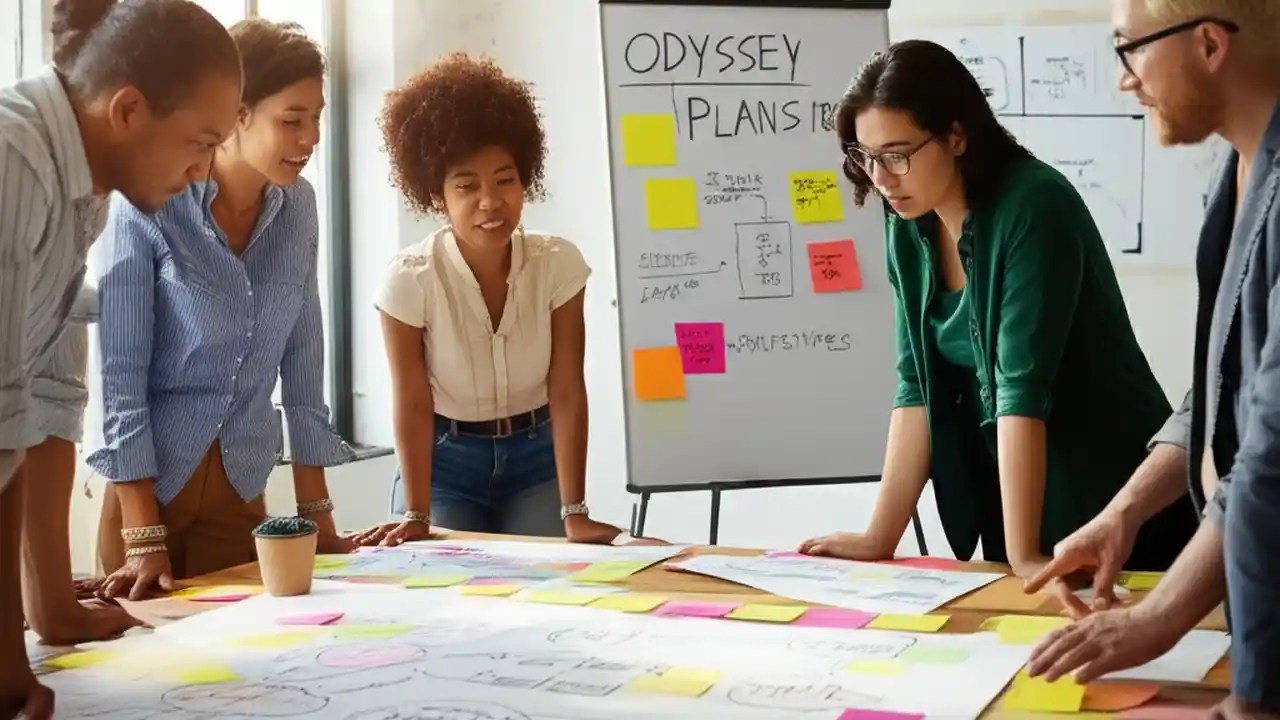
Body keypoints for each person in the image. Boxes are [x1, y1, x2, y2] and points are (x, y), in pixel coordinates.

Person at [796, 40, 1198, 582]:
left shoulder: (1034, 206)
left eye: (897, 154)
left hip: (1115, 508)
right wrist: (879, 537)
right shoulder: (908, 222)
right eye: (865, 157)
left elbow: (1020, 388)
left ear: (956, 136)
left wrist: (1025, 554)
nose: (881, 178)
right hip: (1016, 506)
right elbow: (916, 382)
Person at [1024, 1, 1280, 712]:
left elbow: (1273, 452)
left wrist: (1161, 614)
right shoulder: (1233, 169)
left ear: (1207, 44)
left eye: (1128, 49)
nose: (1123, 81)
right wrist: (1127, 511)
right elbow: (1225, 385)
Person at [0, 0, 241, 714]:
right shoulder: (15, 164)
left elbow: (46, 396)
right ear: (128, 109)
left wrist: (52, 613)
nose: (203, 172)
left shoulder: (89, 188)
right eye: (201, 142)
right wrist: (7, 668)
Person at [89, 18, 354, 602]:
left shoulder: (299, 207)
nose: (310, 138)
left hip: (242, 498)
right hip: (147, 499)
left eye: (316, 117)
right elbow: (121, 378)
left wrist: (318, 517)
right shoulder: (150, 199)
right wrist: (142, 536)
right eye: (291, 120)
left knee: (240, 678)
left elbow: (305, 360)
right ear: (236, 114)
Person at [348, 54, 630, 547]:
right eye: (466, 186)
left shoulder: (559, 265)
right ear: (436, 196)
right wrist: (416, 511)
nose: (490, 202)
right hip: (444, 466)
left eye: (505, 180)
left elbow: (566, 388)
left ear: (525, 180)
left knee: (549, 593)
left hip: (536, 463)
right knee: (439, 597)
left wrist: (575, 510)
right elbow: (413, 402)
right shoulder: (408, 280)